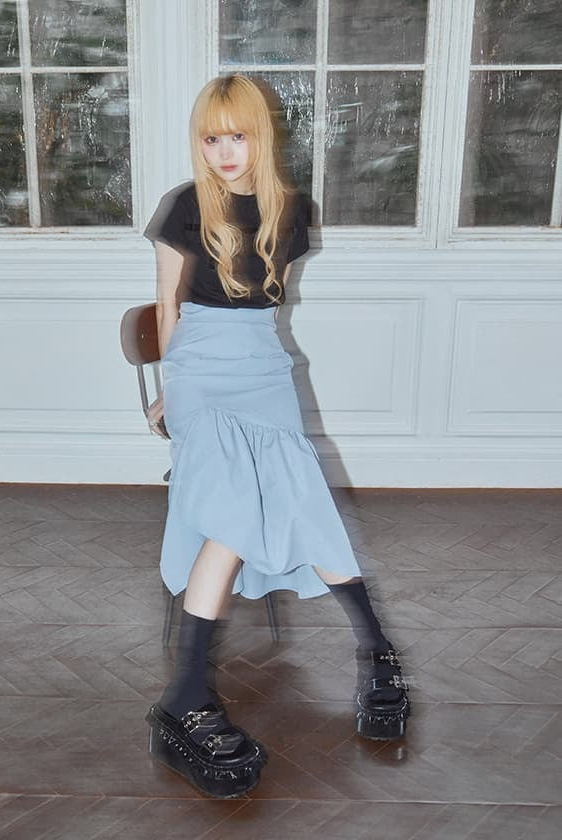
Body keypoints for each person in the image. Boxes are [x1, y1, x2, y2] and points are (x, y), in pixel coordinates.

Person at [143, 74, 409, 799]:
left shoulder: (293, 211)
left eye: (238, 136)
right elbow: (168, 304)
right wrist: (171, 388)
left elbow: (266, 306)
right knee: (232, 513)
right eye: (211, 138)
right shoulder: (183, 207)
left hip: (261, 367)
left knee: (301, 499)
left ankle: (377, 649)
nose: (225, 151)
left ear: (260, 137)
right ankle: (186, 691)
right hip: (199, 370)